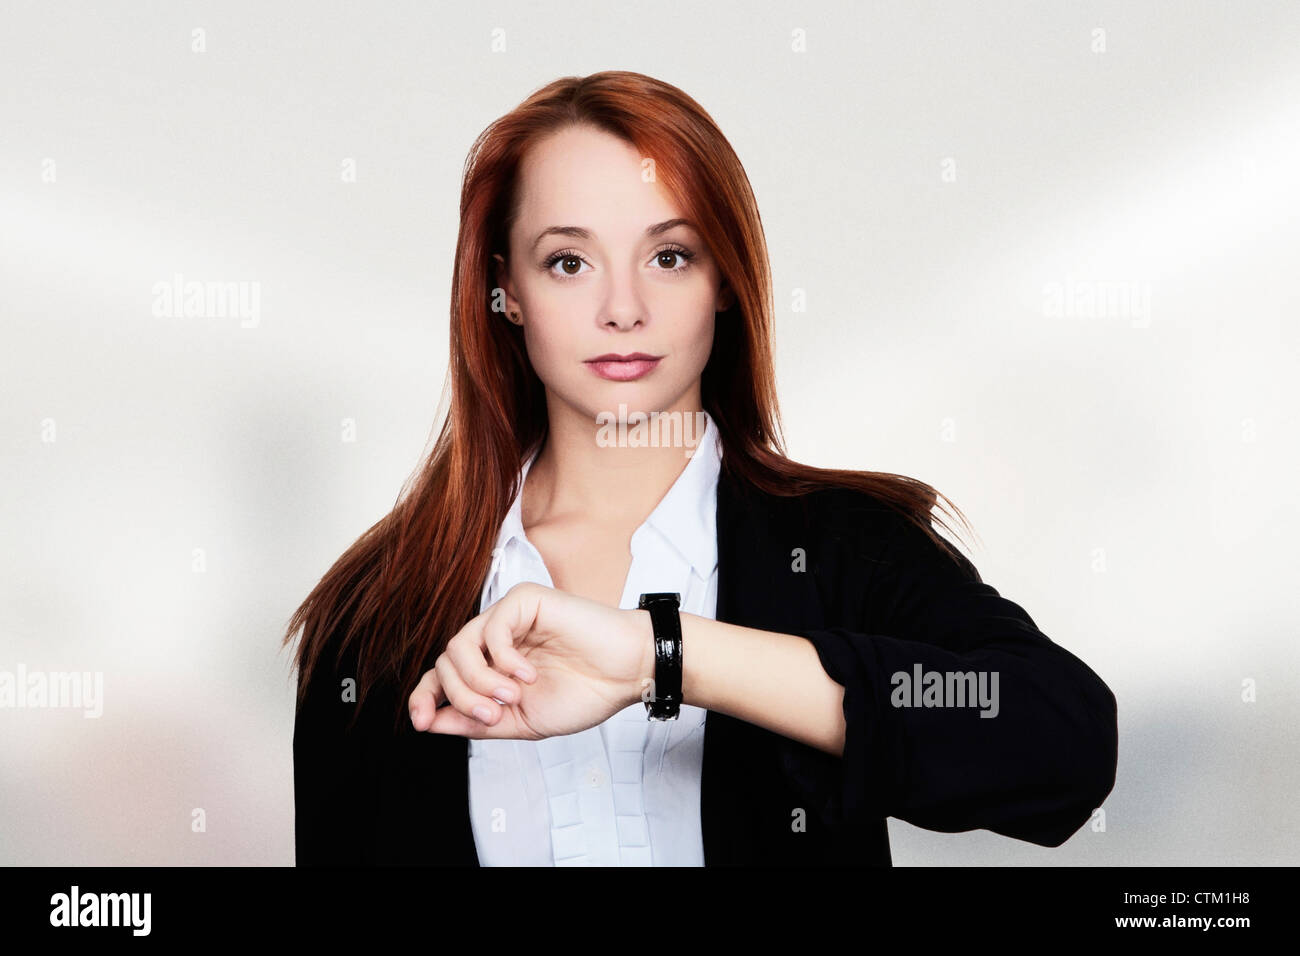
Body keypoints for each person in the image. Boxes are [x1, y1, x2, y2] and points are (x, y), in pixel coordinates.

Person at [285, 70, 1118, 866]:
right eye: (568, 261)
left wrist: (665, 656)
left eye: (670, 256)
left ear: (724, 278)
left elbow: (1063, 743)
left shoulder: (845, 549)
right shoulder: (375, 615)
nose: (622, 309)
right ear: (506, 290)